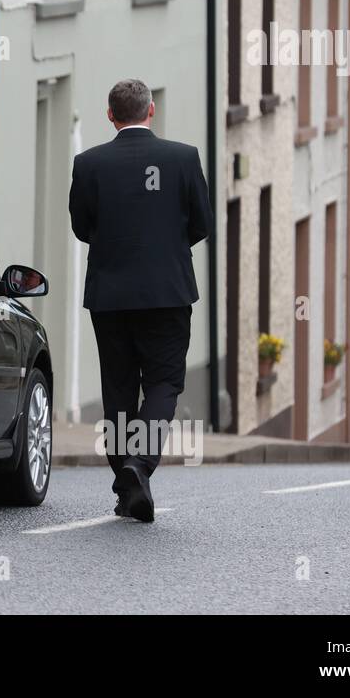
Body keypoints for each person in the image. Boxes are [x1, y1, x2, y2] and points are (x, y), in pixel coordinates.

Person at [68, 79, 212, 522]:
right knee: (164, 383)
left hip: (110, 296)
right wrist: (166, 249)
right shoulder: (184, 158)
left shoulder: (88, 163)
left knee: (118, 387)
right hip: (167, 292)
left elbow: (81, 227)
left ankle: (127, 483)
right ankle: (139, 465)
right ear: (152, 111)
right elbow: (201, 223)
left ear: (110, 115)